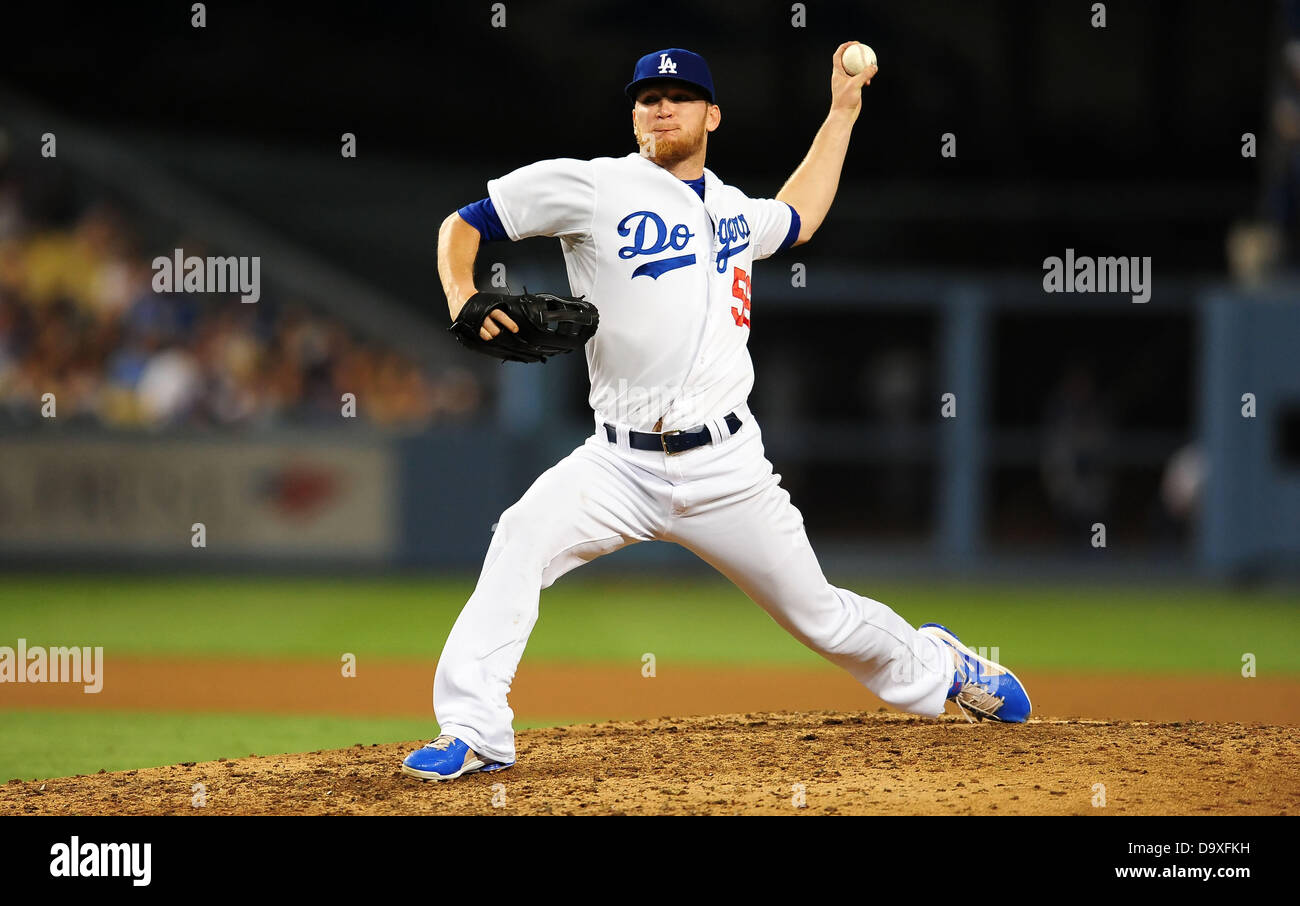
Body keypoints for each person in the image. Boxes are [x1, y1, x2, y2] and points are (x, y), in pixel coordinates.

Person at [403, 45, 1030, 782]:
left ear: (712, 115)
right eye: (646, 97)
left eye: (678, 94)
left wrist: (841, 113)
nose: (660, 107)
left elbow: (798, 215)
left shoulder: (732, 210)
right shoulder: (594, 186)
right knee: (519, 537)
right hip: (618, 462)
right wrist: (460, 294)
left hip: (729, 466)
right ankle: (474, 729)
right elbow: (465, 220)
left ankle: (940, 665)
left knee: (822, 618)